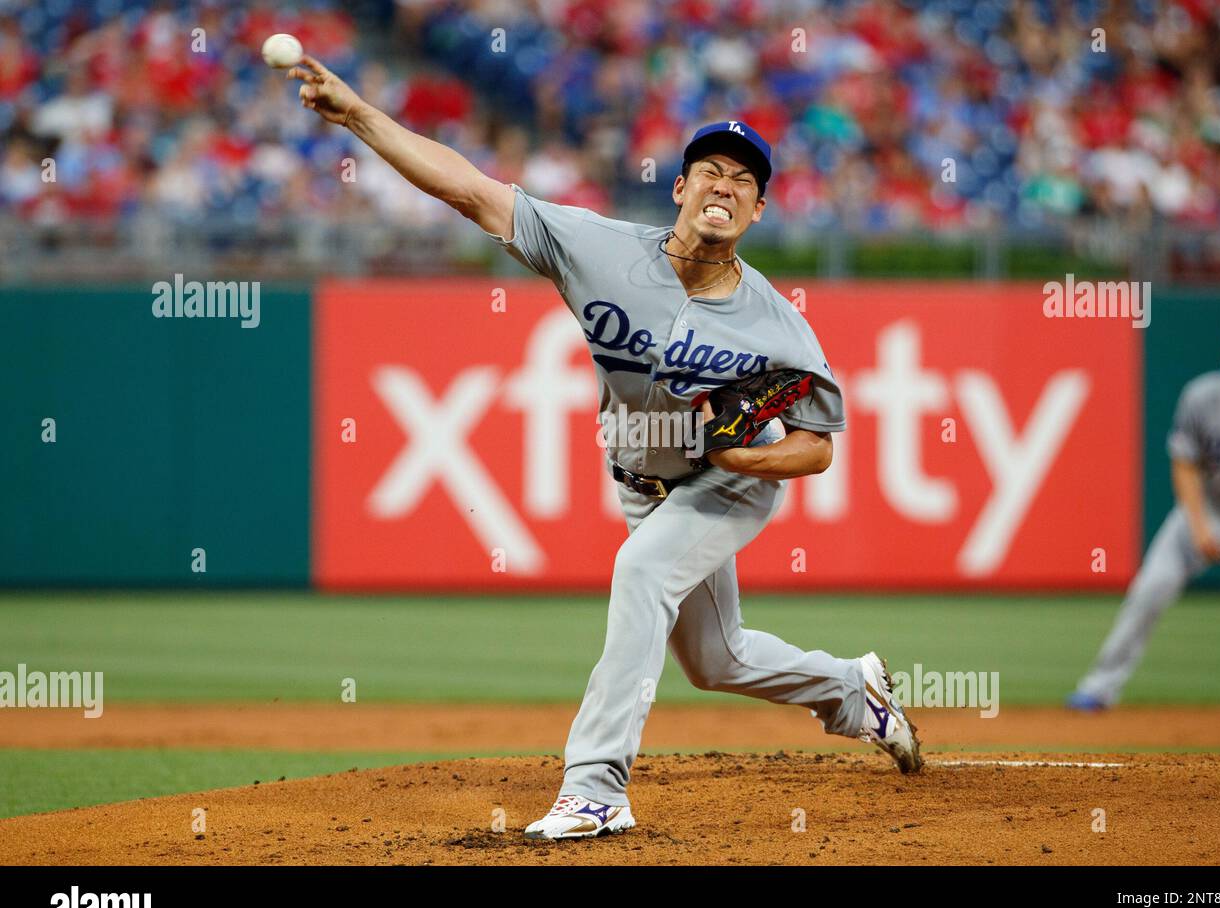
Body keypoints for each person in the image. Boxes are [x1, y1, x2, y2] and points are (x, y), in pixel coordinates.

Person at [289, 54, 921, 840]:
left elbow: (816, 447)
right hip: (639, 481)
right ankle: (856, 694)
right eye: (709, 170)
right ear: (679, 188)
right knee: (715, 660)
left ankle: (596, 786)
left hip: (726, 484)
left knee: (643, 568)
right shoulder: (597, 248)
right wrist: (357, 115)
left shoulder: (780, 327)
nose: (724, 185)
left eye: (744, 180)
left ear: (758, 211)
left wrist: (745, 460)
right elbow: (468, 188)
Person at [1068, 316, 1220, 710]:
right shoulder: (1201, 398)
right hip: (1210, 510)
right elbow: (1185, 464)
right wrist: (1198, 525)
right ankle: (1098, 688)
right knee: (1151, 588)